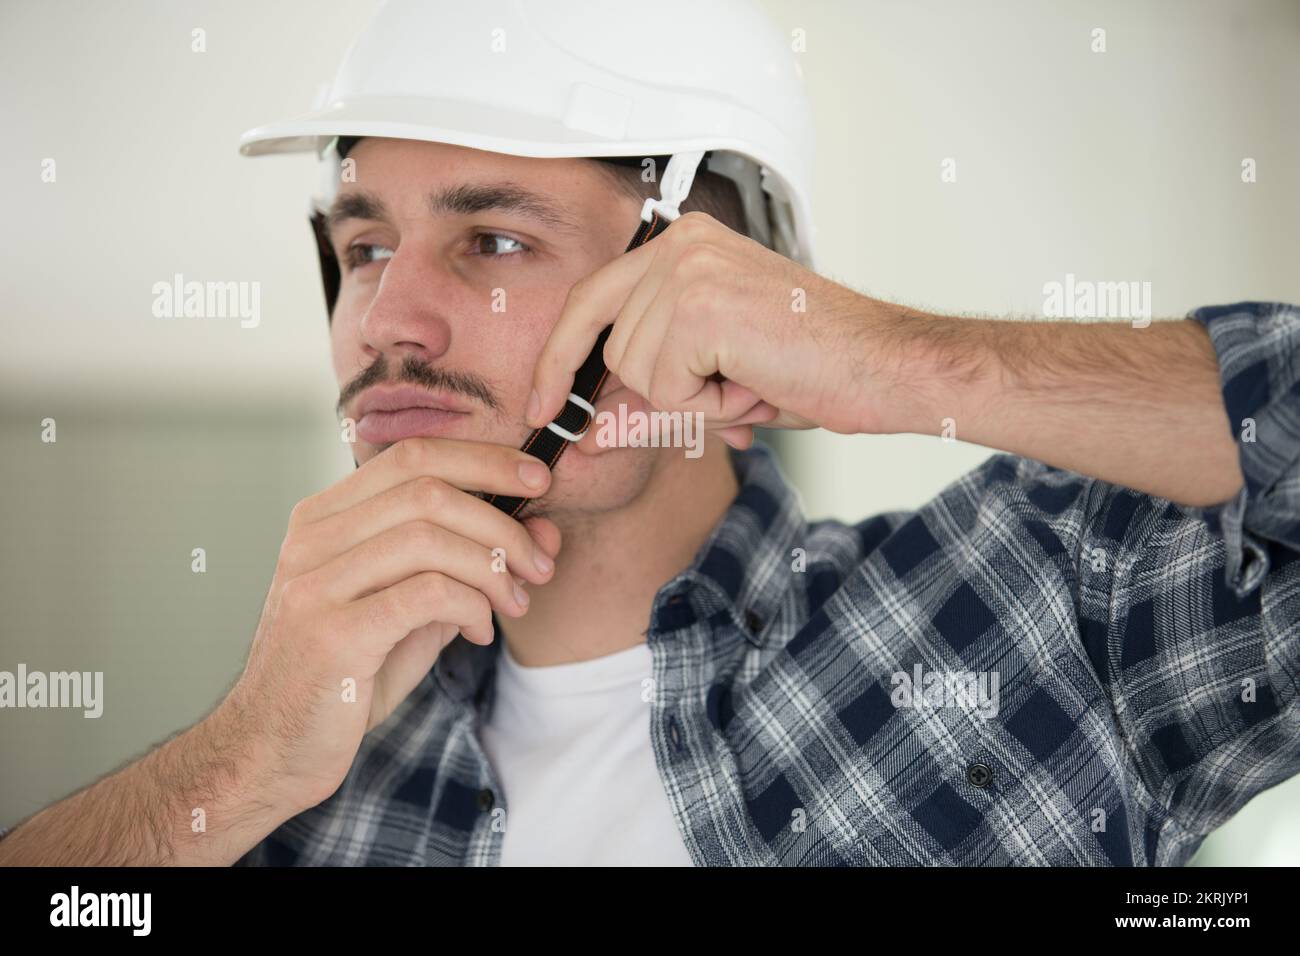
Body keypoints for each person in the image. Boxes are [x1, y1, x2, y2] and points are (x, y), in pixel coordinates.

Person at [1, 0, 1295, 867]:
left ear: (705, 283)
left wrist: (899, 358)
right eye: (363, 246)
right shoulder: (298, 776)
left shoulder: (1036, 612)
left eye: (492, 242)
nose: (383, 321)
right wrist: (236, 765)